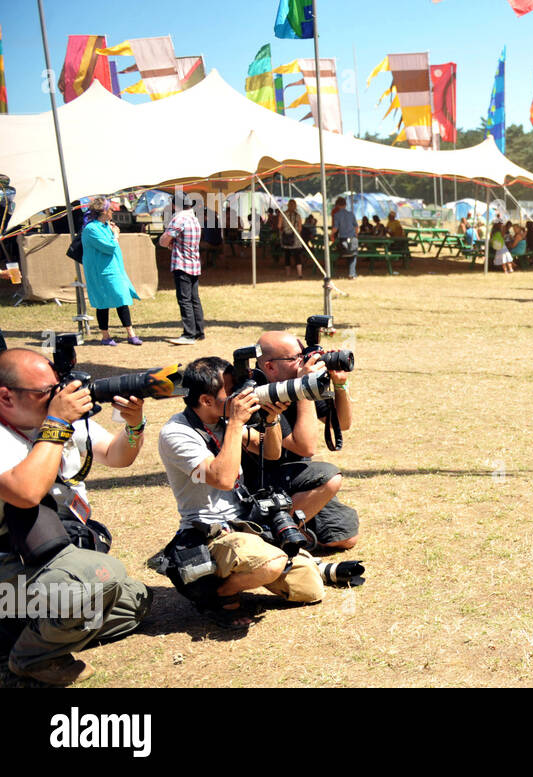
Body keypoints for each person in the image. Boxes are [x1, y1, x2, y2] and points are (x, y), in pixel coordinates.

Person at [0, 348, 153, 684]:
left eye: (56, 388)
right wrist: (56, 423)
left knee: (132, 601)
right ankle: (31, 658)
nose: (57, 398)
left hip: (46, 553)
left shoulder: (56, 419)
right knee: (99, 578)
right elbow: (25, 493)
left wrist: (133, 424)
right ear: (6, 397)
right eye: (45, 393)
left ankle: (21, 623)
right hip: (9, 560)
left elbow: (116, 456)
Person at [157, 357, 324, 625]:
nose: (239, 398)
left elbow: (271, 453)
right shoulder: (176, 433)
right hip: (209, 532)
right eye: (230, 392)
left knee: (309, 589)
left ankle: (244, 571)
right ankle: (218, 592)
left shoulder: (222, 419)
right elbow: (222, 479)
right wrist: (235, 424)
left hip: (245, 524)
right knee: (272, 563)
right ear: (206, 401)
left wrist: (271, 419)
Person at [248, 331, 358, 551]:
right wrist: (304, 385)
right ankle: (270, 534)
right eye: (296, 358)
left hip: (296, 481)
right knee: (330, 477)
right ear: (269, 366)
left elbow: (341, 424)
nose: (305, 362)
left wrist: (339, 385)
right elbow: (305, 446)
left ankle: (287, 534)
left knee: (345, 537)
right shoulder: (257, 394)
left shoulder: (293, 381)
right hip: (263, 485)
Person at [81, 197, 144, 347]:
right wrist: (115, 235)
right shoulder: (91, 229)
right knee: (102, 302)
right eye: (110, 209)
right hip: (99, 271)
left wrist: (111, 230)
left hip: (113, 268)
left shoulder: (104, 226)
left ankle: (131, 334)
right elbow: (108, 247)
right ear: (103, 211)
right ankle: (105, 336)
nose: (113, 212)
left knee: (121, 297)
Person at [160, 193, 205, 345]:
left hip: (182, 263)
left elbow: (164, 240)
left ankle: (188, 334)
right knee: (194, 299)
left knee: (184, 300)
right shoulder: (194, 218)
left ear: (175, 205)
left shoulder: (179, 218)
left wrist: (167, 241)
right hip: (194, 263)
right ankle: (199, 331)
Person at [330, 197, 359, 280]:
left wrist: (331, 234)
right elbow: (356, 227)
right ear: (345, 205)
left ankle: (335, 271)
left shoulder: (336, 215)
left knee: (341, 253)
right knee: (353, 254)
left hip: (343, 239)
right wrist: (356, 235)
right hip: (352, 237)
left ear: (337, 205)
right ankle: (352, 273)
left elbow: (335, 228)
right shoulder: (351, 214)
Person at [281, 200, 305, 278]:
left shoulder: (283, 214)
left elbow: (279, 226)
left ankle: (288, 274)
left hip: (286, 237)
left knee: (287, 255)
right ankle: (300, 274)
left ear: (288, 205)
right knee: (297, 256)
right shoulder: (297, 215)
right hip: (296, 238)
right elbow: (300, 228)